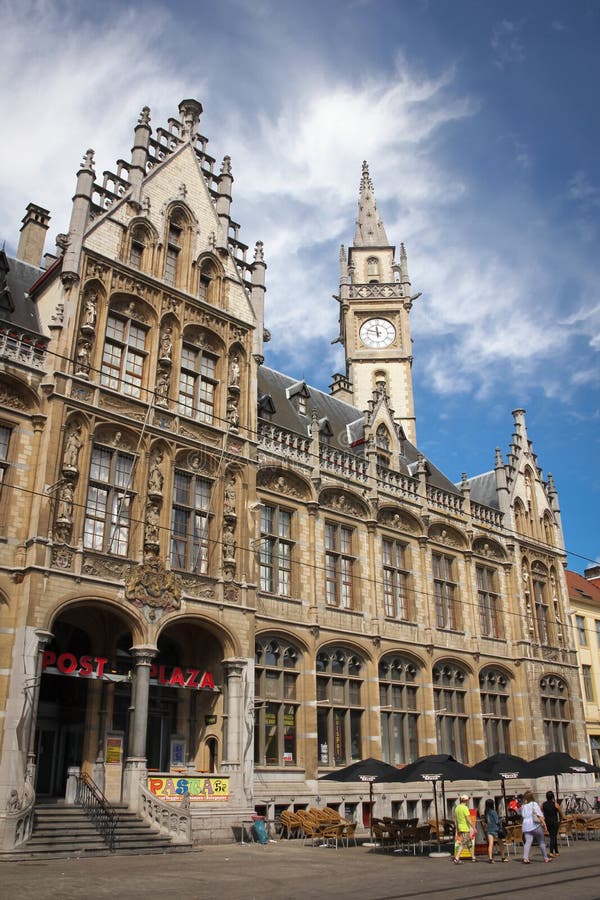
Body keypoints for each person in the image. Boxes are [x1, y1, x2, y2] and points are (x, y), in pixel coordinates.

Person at [520, 789, 551, 864]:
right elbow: (539, 815)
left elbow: (522, 816)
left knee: (528, 842)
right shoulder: (534, 804)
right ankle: (546, 858)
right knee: (541, 841)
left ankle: (525, 858)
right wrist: (544, 824)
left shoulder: (523, 806)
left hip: (526, 826)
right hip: (534, 824)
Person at [484, 798, 509, 863]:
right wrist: (502, 819)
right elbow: (497, 821)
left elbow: (487, 821)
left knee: (491, 844)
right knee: (500, 843)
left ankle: (491, 859)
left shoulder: (486, 812)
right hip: (496, 829)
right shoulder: (493, 811)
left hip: (489, 829)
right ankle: (503, 857)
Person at [453, 794, 475, 865]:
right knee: (463, 843)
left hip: (460, 827)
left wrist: (457, 829)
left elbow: (455, 820)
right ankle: (456, 858)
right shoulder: (465, 808)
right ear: (466, 800)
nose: (468, 801)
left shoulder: (457, 808)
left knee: (469, 843)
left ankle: (473, 857)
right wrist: (473, 827)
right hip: (465, 828)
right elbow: (468, 819)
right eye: (468, 800)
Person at [542, 790, 562, 857]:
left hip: (547, 822)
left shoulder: (543, 804)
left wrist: (543, 819)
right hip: (554, 822)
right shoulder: (555, 804)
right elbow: (560, 813)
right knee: (553, 836)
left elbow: (540, 811)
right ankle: (551, 851)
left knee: (553, 836)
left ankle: (556, 851)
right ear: (553, 797)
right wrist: (561, 819)